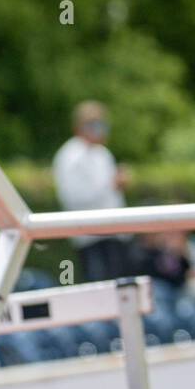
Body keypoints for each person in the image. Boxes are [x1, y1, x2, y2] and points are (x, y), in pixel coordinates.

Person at [51, 101, 134, 281]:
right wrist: (110, 184)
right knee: (100, 287)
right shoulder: (69, 156)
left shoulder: (103, 154)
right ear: (78, 127)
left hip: (115, 233)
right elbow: (73, 198)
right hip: (90, 237)